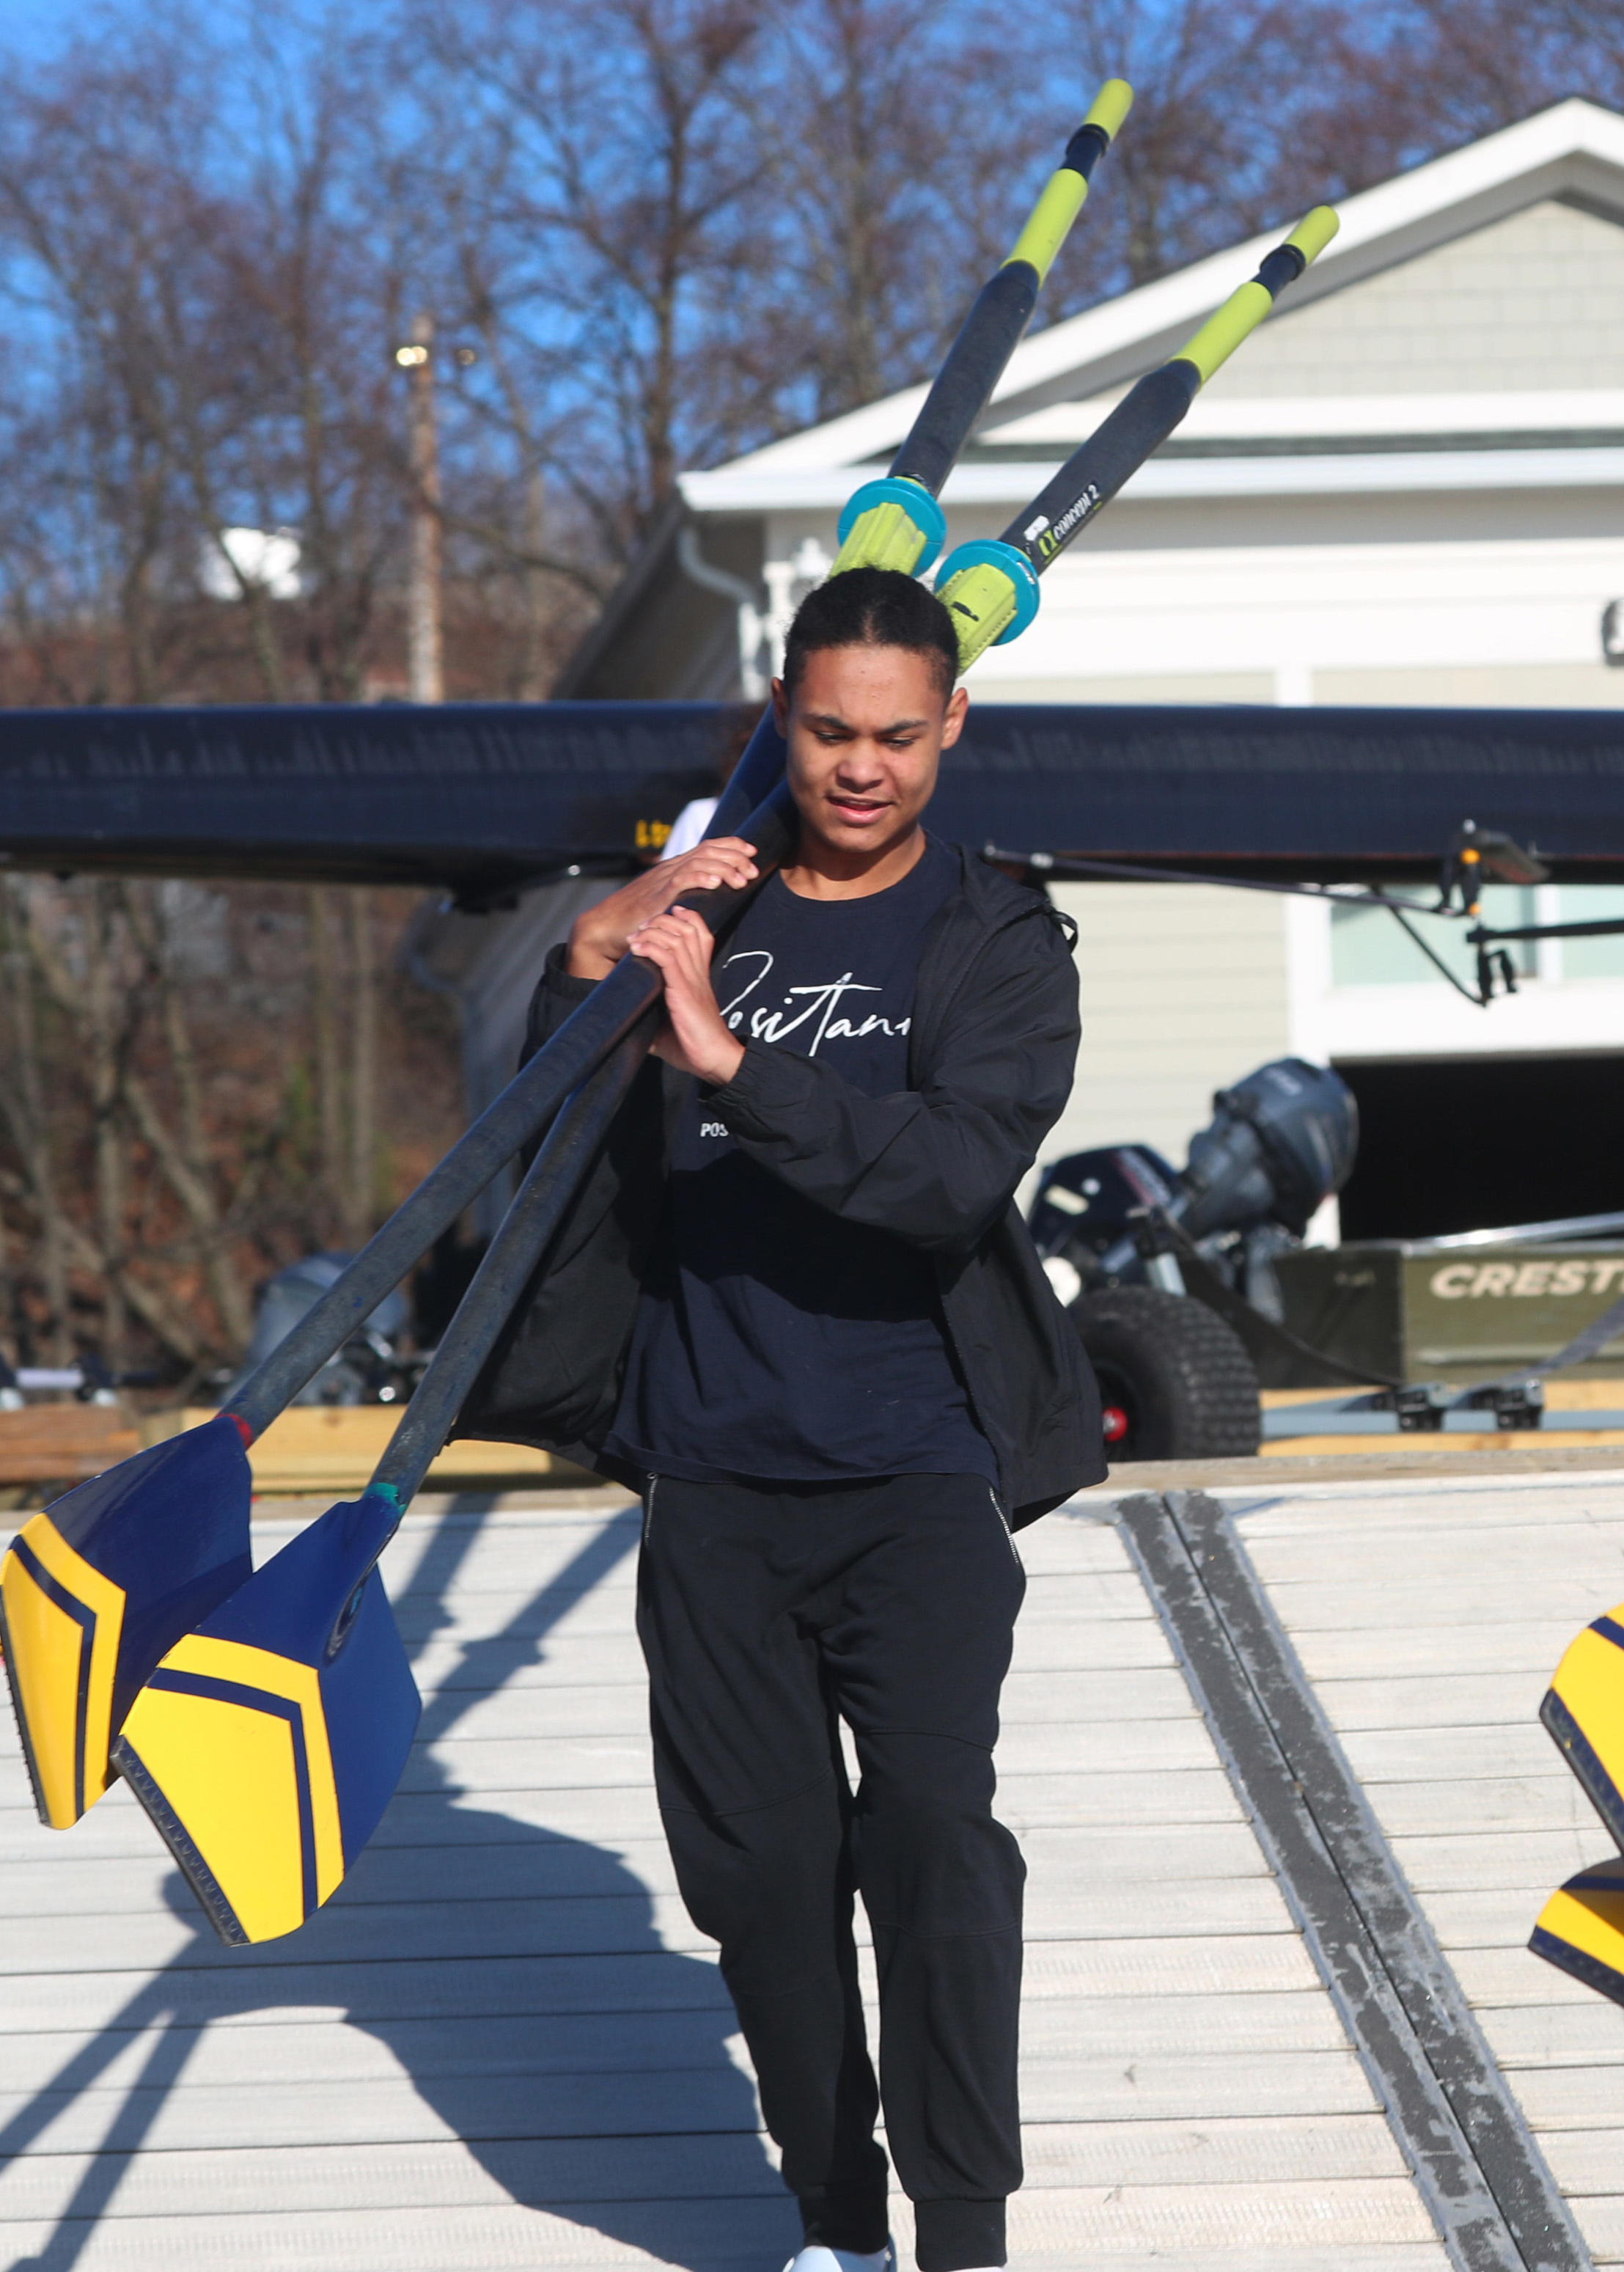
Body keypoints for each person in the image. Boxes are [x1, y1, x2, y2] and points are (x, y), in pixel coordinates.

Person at [526, 565, 1103, 2272]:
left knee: (933, 1837)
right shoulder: (699, 905)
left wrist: (731, 1064)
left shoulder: (996, 938)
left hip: (916, 1475)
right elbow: (548, 1141)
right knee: (762, 1877)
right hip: (711, 1474)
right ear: (781, 715)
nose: (862, 768)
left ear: (953, 724)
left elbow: (945, 1176)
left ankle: (961, 2230)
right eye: (833, 730)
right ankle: (836, 2209)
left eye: (898, 737)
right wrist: (589, 955)